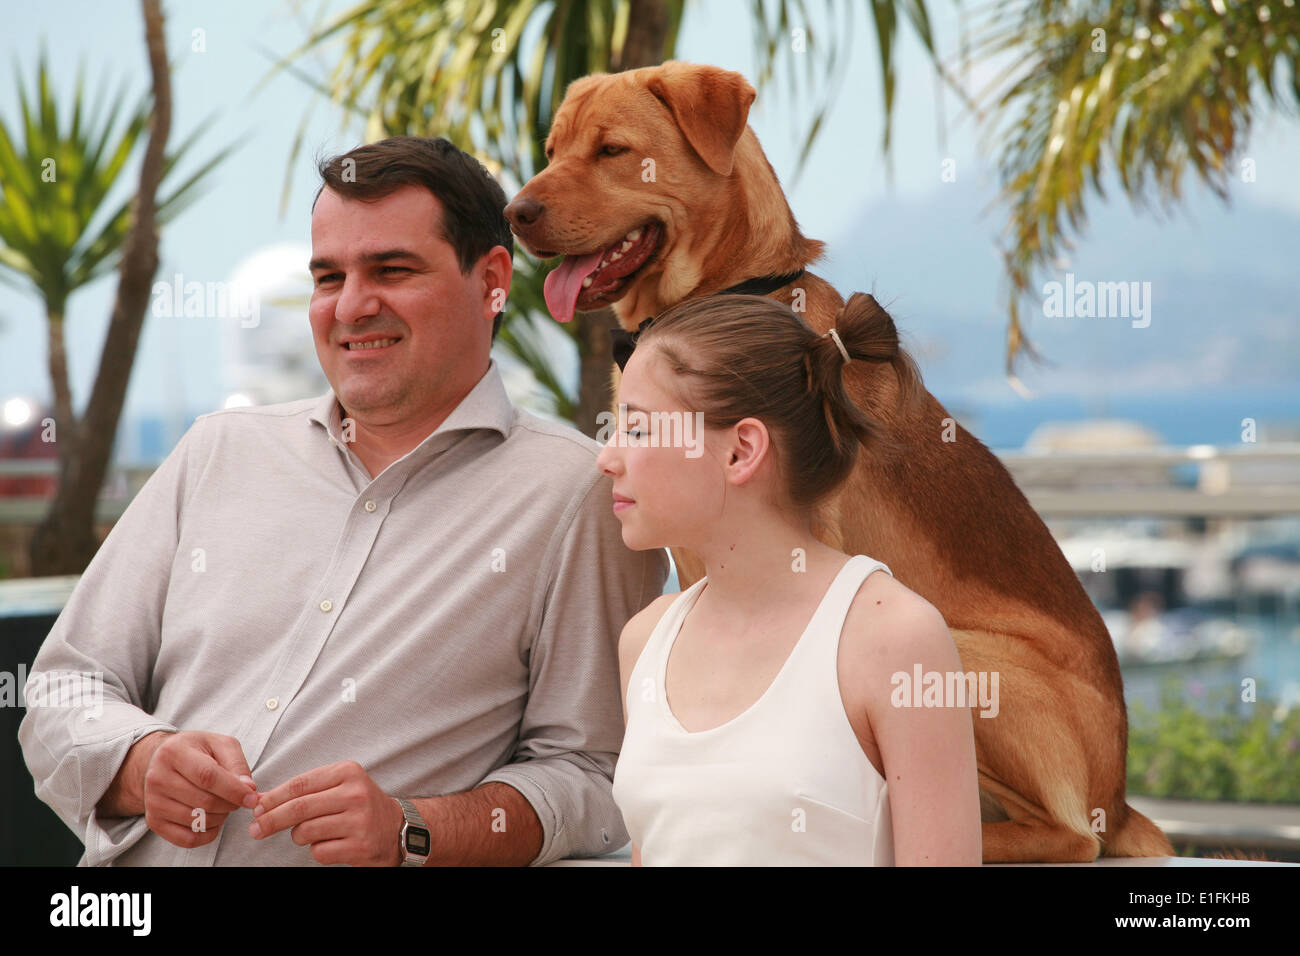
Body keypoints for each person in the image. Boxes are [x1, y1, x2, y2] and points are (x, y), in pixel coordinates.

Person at [19, 136, 669, 866]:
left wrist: (411, 829)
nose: (352, 306)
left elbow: (593, 777)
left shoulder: (579, 492)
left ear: (491, 280)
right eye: (329, 278)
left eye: (392, 270)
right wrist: (141, 762)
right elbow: (65, 688)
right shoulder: (216, 450)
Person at [599, 292, 982, 865]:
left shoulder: (895, 640)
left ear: (741, 450)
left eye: (637, 429)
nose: (606, 457)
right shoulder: (646, 640)